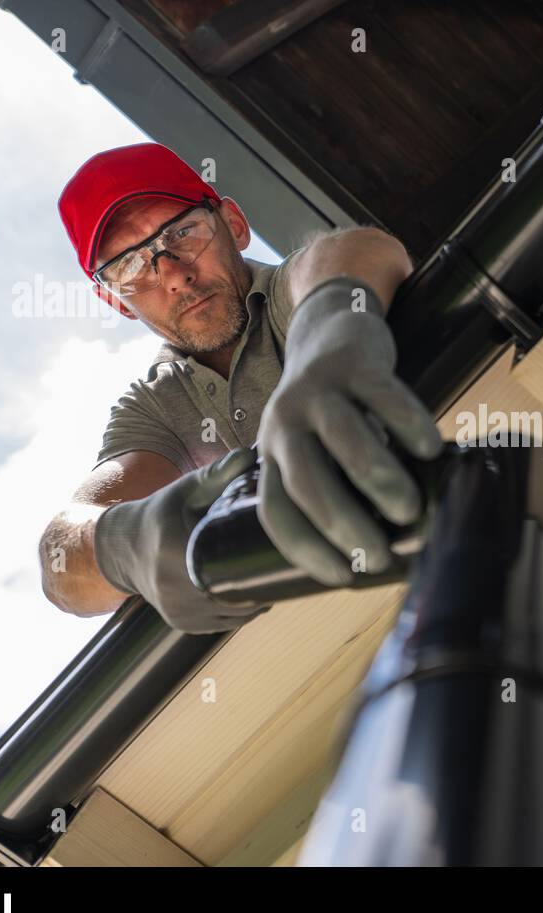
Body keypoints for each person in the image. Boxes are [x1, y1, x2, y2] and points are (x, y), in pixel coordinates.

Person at [38, 142, 442, 632]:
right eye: (129, 265)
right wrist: (126, 544)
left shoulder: (294, 291)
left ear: (233, 225)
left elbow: (352, 251)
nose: (173, 274)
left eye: (183, 232)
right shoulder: (153, 407)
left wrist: (330, 339)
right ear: (118, 302)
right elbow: (62, 559)